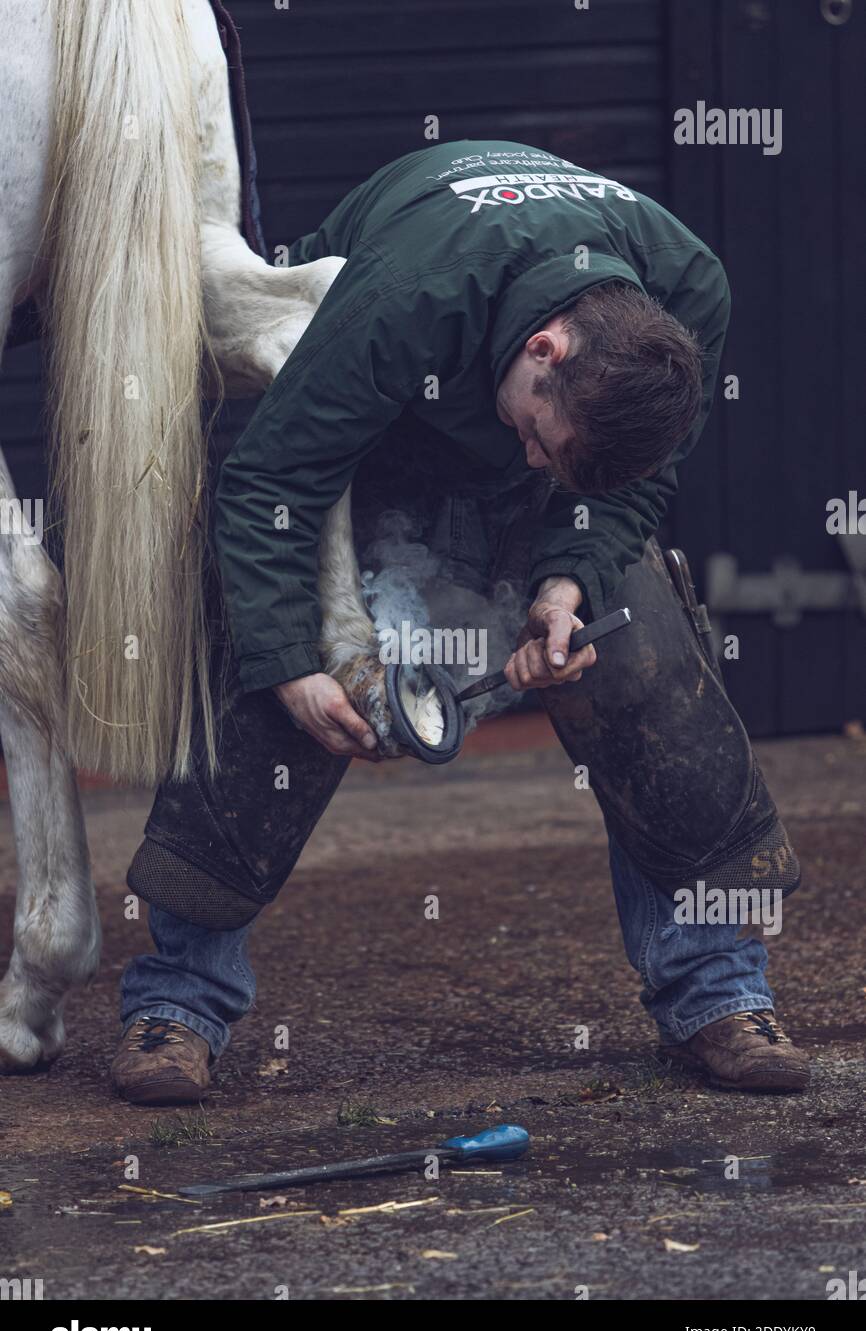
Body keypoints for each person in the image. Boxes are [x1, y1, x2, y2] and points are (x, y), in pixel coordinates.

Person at [112, 141, 807, 1104]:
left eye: (550, 452)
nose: (533, 460)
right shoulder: (408, 293)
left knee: (638, 654)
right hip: (368, 448)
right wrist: (291, 663)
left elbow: (628, 489)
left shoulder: (688, 292)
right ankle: (177, 1003)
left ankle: (720, 993)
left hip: (543, 457)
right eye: (537, 433)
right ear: (545, 348)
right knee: (281, 693)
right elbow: (272, 482)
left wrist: (566, 585)